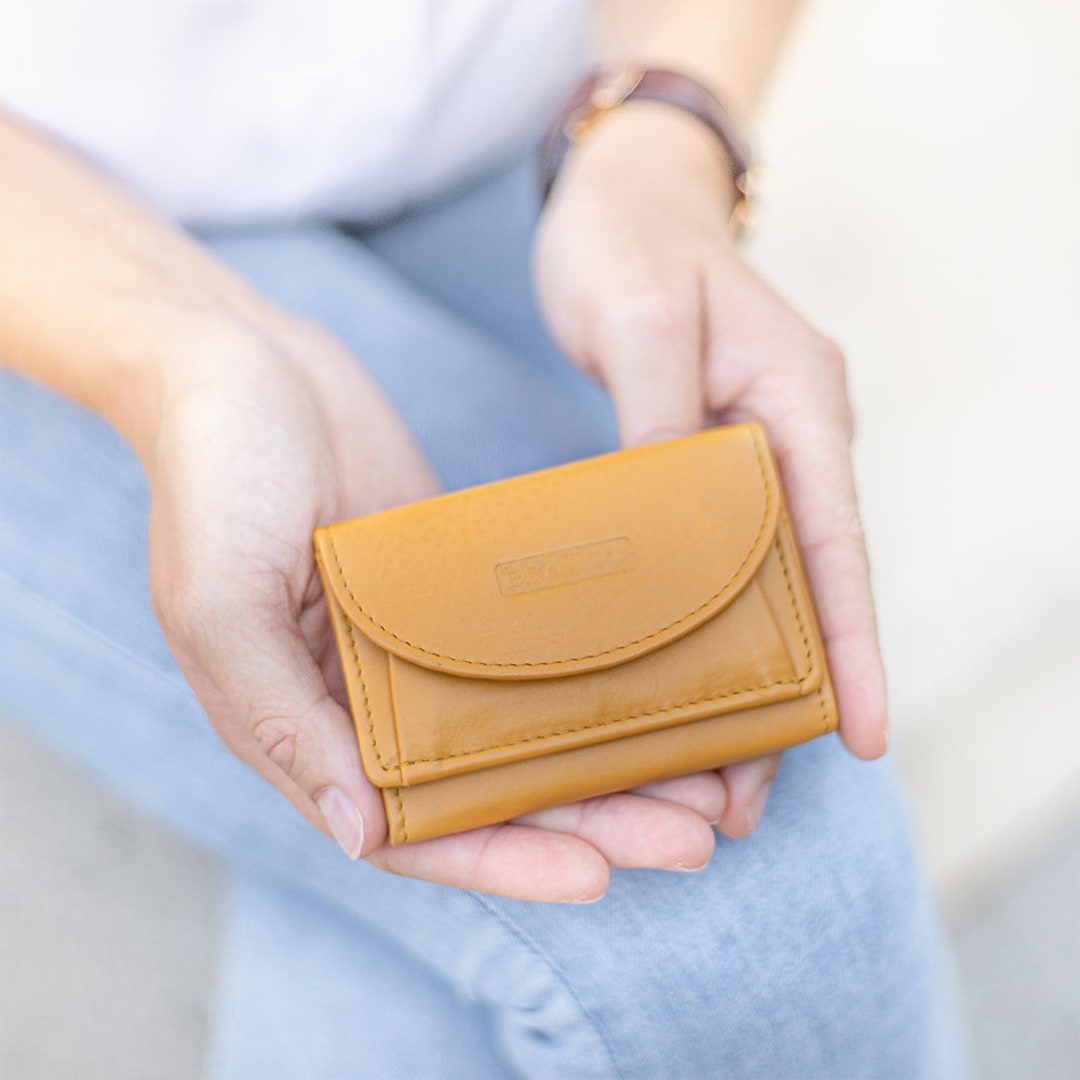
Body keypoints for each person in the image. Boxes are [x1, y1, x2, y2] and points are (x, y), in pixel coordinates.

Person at [0, 2, 968, 1076]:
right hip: (51, 245)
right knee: (734, 928)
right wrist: (178, 362)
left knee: (762, 874)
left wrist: (665, 127)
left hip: (533, 140)